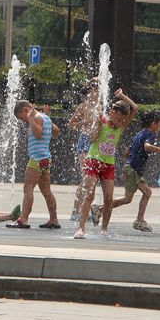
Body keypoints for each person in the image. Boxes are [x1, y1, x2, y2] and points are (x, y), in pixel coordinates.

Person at [73, 89, 138, 239]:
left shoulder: (121, 127)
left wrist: (122, 96)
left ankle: (104, 229)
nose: (120, 122)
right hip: (93, 161)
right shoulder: (101, 121)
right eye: (119, 118)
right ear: (112, 112)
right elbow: (93, 138)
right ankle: (81, 228)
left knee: (108, 198)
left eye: (123, 120)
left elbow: (135, 109)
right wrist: (96, 127)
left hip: (108, 165)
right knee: (89, 195)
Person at [109, 110, 160, 233]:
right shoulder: (150, 134)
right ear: (153, 124)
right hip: (133, 170)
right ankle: (139, 220)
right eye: (159, 124)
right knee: (146, 193)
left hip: (131, 168)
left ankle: (100, 209)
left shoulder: (139, 134)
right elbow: (147, 147)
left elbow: (127, 152)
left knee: (128, 198)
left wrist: (126, 168)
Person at [7, 100, 61, 229]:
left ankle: (23, 220)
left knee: (28, 188)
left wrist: (30, 119)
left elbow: (38, 134)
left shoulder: (35, 118)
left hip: (36, 158)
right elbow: (56, 131)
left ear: (26, 110)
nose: (23, 121)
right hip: (46, 159)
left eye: (22, 117)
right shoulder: (44, 117)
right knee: (46, 191)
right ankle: (54, 220)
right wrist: (47, 117)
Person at [66, 79, 99, 221]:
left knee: (93, 179)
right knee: (86, 177)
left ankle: (85, 210)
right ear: (91, 91)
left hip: (97, 143)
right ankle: (76, 210)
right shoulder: (83, 106)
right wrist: (83, 123)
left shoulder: (101, 106)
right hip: (85, 141)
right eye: (96, 89)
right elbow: (70, 124)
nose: (99, 92)